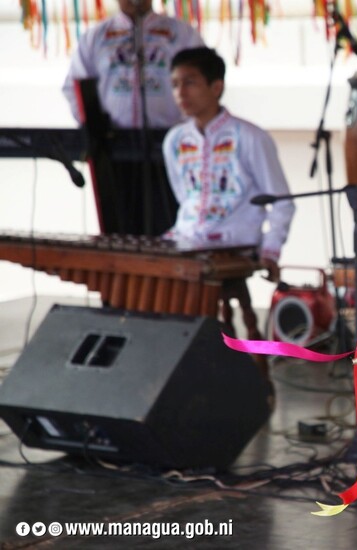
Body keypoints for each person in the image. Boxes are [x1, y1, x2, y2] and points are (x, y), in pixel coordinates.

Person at [163, 47, 295, 354]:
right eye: (175, 84)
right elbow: (185, 197)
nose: (180, 92)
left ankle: (228, 364)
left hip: (231, 247)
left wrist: (270, 250)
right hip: (187, 242)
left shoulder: (250, 137)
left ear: (216, 86)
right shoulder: (174, 141)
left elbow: (283, 201)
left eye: (190, 82)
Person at [62, 0, 203, 236]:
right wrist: (92, 126)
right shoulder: (97, 36)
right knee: (122, 227)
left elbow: (202, 83)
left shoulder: (180, 33)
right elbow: (73, 88)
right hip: (114, 146)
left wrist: (188, 130)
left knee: (170, 223)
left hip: (170, 144)